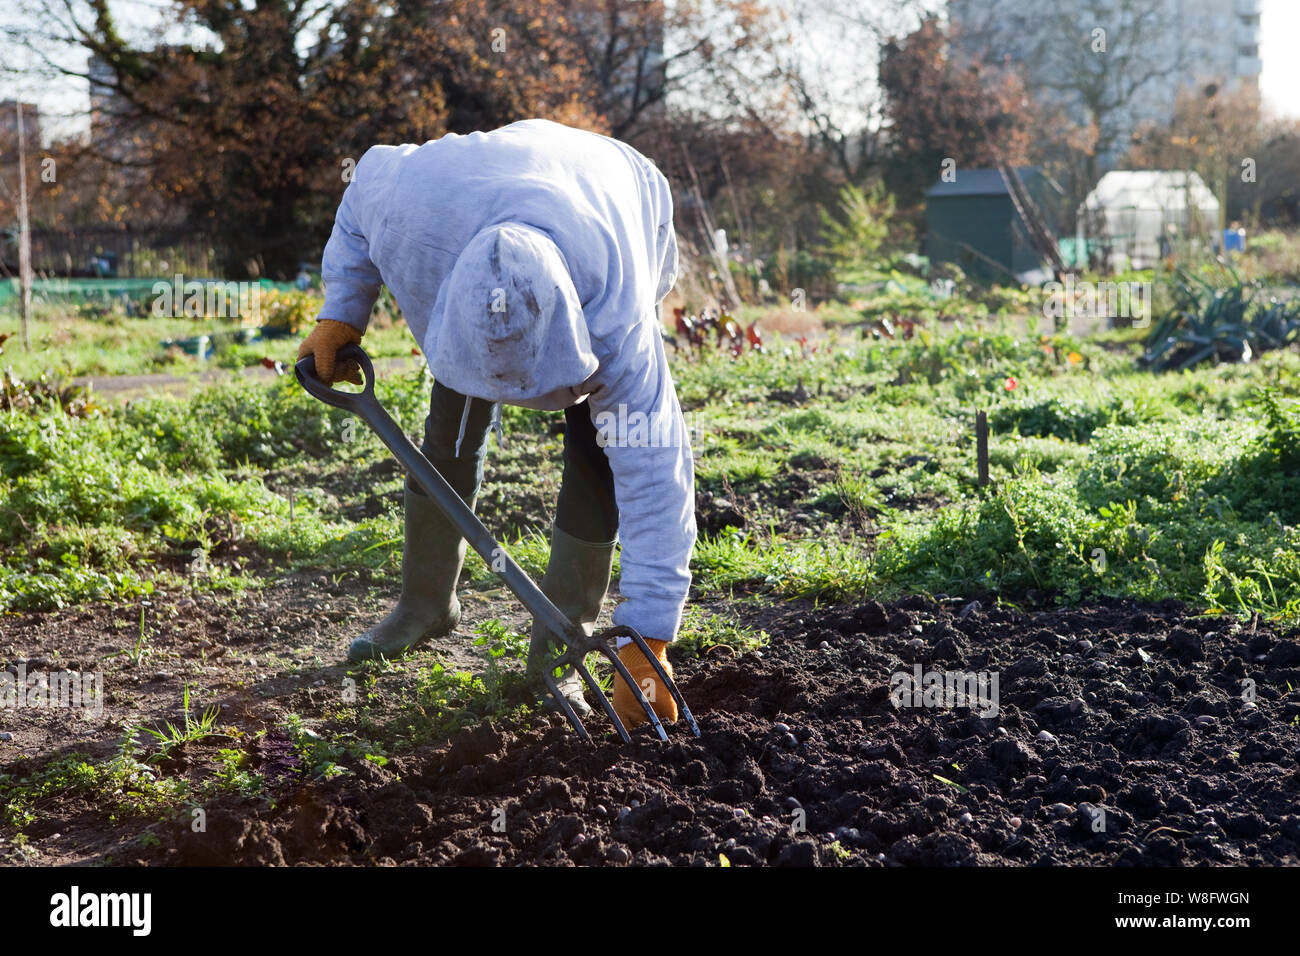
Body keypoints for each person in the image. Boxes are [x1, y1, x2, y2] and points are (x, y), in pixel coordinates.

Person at [297, 119, 695, 728]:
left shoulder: (618, 319)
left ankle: (564, 633)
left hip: (621, 190)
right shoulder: (407, 207)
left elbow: (656, 482)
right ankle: (425, 603)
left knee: (603, 452)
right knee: (449, 429)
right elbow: (356, 201)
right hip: (474, 204)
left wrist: (650, 641)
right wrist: (342, 312)